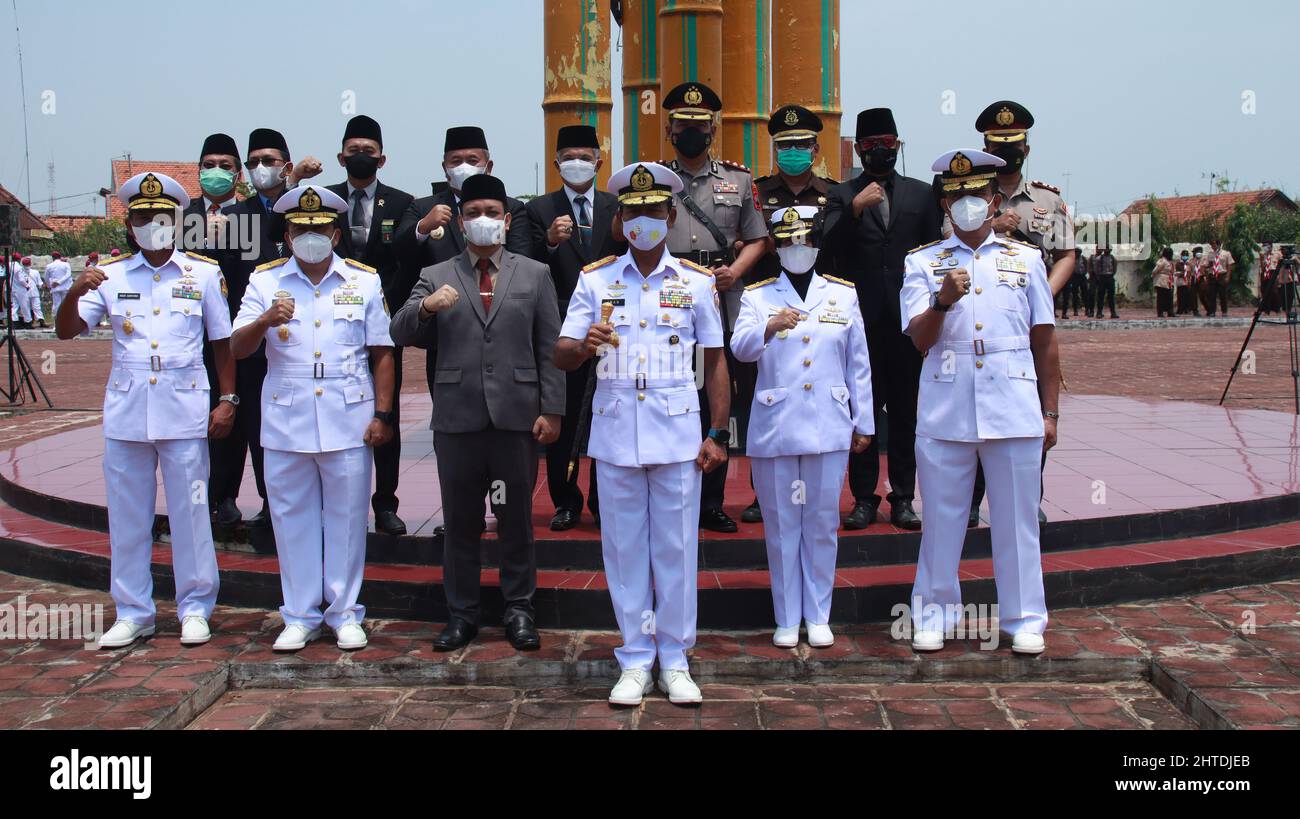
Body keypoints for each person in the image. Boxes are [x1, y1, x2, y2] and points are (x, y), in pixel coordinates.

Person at [554, 162, 730, 707]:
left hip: (678, 434)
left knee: (676, 550)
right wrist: (585, 343)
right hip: (615, 435)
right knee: (625, 551)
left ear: (670, 215)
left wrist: (719, 432)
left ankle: (675, 657)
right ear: (620, 220)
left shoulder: (696, 283)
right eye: (633, 212)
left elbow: (716, 361)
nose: (644, 220)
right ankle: (634, 657)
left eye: (654, 211)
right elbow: (561, 354)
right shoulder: (595, 280)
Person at [54, 171, 236, 649]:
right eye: (141, 217)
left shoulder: (202, 274)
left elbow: (221, 344)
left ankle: (196, 607)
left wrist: (227, 399)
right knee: (128, 517)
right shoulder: (109, 277)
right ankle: (134, 611)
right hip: (129, 411)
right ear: (129, 224)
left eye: (160, 216)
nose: (151, 223)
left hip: (183, 409)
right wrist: (75, 290)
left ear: (175, 221)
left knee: (191, 513)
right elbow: (67, 332)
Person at [390, 173, 563, 653]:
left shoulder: (534, 273)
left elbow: (548, 347)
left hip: (516, 418)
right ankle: (461, 614)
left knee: (516, 521)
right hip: (458, 419)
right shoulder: (437, 275)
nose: (482, 221)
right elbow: (399, 330)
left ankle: (519, 610)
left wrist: (553, 410)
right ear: (461, 223)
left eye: (491, 212)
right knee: (461, 523)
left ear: (507, 220)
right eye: (472, 214)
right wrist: (425, 307)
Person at [902, 150, 1059, 655]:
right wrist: (942, 300)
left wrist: (1050, 410)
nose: (967, 204)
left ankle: (1024, 618)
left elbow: (1045, 340)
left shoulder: (1026, 259)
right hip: (947, 408)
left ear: (993, 199)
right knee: (942, 518)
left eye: (976, 195)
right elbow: (919, 340)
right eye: (956, 196)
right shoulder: (922, 262)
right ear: (945, 204)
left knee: (1017, 520)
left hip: (1013, 406)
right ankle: (932, 613)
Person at [229, 184, 395, 652]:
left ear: (336, 234)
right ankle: (299, 615)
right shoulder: (265, 282)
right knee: (291, 518)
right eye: (301, 228)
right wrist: (263, 320)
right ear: (286, 233)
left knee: (345, 519)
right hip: (286, 417)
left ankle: (344, 613)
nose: (310, 235)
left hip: (348, 415)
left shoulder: (363, 280)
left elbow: (382, 352)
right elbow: (238, 347)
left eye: (319, 228)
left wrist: (383, 413)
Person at [731, 206, 873, 648]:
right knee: (780, 524)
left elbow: (859, 362)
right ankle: (787, 616)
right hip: (777, 424)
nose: (798, 248)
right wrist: (769, 328)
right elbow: (739, 349)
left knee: (822, 521)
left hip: (829, 422)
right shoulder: (758, 296)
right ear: (774, 245)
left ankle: (819, 612)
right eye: (789, 241)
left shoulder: (842, 294)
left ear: (816, 245)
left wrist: (863, 420)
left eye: (805, 241)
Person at [823, 107, 942, 531]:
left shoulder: (921, 194)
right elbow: (827, 250)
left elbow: (934, 253)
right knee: (863, 414)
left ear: (897, 145)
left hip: (909, 324)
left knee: (907, 414)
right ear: (858, 149)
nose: (879, 152)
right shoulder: (841, 194)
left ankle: (904, 497)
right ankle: (863, 498)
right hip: (861, 323)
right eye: (870, 146)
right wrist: (854, 209)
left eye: (887, 145)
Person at [660, 81, 768, 534]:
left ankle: (712, 502)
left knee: (721, 398)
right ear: (669, 129)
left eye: (699, 126)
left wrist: (736, 272)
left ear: (712, 129)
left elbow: (759, 237)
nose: (691, 132)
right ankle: (673, 495)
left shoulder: (738, 180)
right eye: (683, 126)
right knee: (674, 393)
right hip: (668, 297)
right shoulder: (653, 179)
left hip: (723, 295)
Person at [525, 124, 626, 531]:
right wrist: (549, 242)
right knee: (562, 416)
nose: (577, 163)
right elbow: (524, 262)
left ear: (600, 162)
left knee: (608, 413)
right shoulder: (538, 210)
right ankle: (566, 501)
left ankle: (605, 500)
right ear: (556, 163)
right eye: (569, 156)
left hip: (612, 328)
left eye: (585, 156)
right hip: (561, 327)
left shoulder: (616, 206)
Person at [741, 103, 839, 524]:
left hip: (822, 304)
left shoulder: (834, 194)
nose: (794, 151)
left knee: (818, 389)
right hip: (767, 302)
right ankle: (761, 491)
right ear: (774, 150)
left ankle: (823, 490)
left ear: (815, 149)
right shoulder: (757, 192)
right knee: (763, 393)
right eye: (786, 145)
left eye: (801, 144)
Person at [326, 115, 415, 536]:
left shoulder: (403, 204)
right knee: (336, 408)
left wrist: (393, 311)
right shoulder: (321, 199)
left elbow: (409, 262)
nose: (361, 156)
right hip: (332, 326)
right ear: (341, 156)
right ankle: (341, 502)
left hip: (384, 325)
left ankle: (386, 504)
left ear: (382, 158)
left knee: (386, 412)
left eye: (369, 150)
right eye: (354, 149)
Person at [1206, 239, 1234, 317]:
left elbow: (1229, 265)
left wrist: (1228, 276)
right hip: (1212, 275)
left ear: (1218, 245)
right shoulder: (1210, 254)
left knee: (1223, 294)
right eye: (1212, 245)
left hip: (1222, 274)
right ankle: (1212, 311)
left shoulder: (1226, 253)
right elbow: (1208, 264)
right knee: (1212, 295)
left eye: (1214, 245)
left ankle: (1224, 311)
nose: (1213, 246)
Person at [1092, 245, 1118, 319]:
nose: (1107, 250)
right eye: (1106, 248)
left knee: (1111, 296)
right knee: (1100, 296)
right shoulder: (1099, 258)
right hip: (1102, 278)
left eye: (1108, 248)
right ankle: (1099, 313)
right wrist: (1099, 277)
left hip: (1110, 277)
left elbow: (1115, 268)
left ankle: (1113, 313)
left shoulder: (1113, 258)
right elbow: (1096, 269)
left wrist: (1111, 274)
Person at [44, 252, 73, 316]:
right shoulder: (66, 264)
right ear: (60, 257)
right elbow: (68, 275)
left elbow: (46, 278)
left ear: (53, 258)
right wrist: (60, 282)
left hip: (55, 288)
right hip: (65, 287)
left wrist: (50, 285)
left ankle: (56, 323)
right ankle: (65, 321)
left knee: (56, 305)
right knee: (65, 304)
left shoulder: (49, 266)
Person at [10, 253, 33, 327]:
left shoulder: (9, 265)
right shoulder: (19, 268)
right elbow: (21, 280)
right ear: (19, 259)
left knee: (14, 306)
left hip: (12, 288)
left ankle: (15, 322)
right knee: (25, 306)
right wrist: (27, 286)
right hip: (20, 289)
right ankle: (28, 322)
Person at [21, 257, 46, 328]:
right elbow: (40, 283)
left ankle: (34, 322)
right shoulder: (35, 272)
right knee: (36, 307)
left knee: (29, 308)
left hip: (26, 293)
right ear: (30, 263)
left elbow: (39, 283)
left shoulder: (21, 272)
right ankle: (38, 322)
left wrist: (42, 285)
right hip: (32, 292)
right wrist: (42, 286)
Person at [1153, 247, 1175, 317]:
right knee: (1161, 298)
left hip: (1168, 281)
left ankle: (1170, 311)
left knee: (1169, 297)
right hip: (1161, 281)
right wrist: (1153, 277)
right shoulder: (1162, 261)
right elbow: (1155, 270)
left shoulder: (1170, 262)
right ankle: (1160, 312)